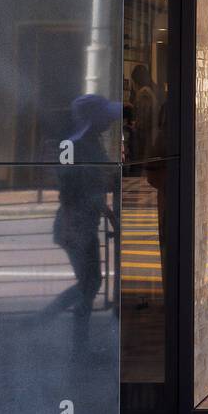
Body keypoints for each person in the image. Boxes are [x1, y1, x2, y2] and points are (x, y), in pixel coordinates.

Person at [46, 94, 121, 329]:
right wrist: (108, 214)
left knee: (90, 282)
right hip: (76, 223)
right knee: (89, 282)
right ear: (92, 118)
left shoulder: (89, 143)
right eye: (105, 117)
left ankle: (74, 337)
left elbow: (93, 184)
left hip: (82, 222)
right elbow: (74, 187)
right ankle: (44, 321)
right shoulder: (77, 145)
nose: (110, 121)